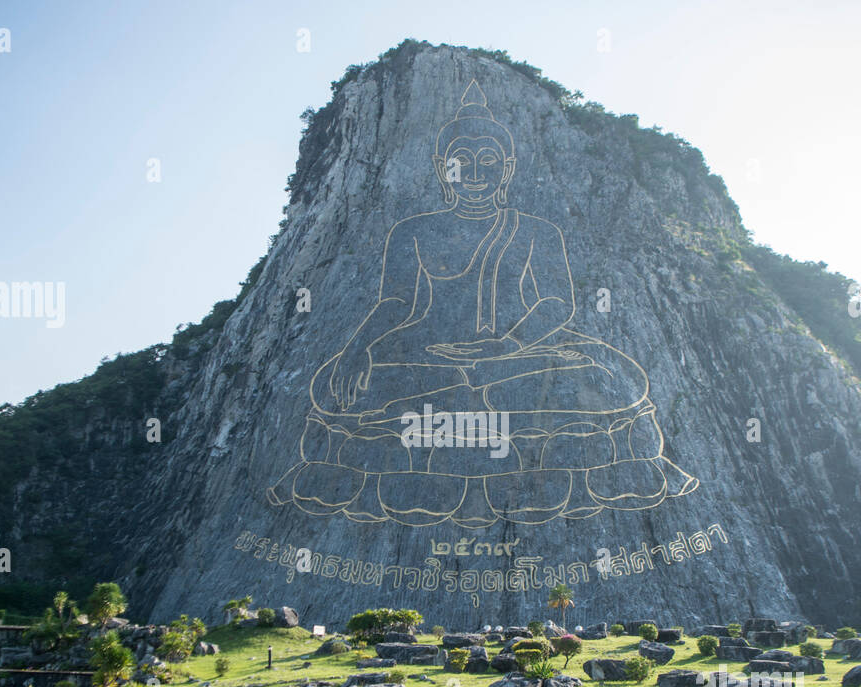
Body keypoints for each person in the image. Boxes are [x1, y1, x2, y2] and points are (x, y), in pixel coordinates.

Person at [268, 80, 697, 528]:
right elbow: (397, 302)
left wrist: (506, 345)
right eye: (461, 162)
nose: (474, 174)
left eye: (487, 161)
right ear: (443, 170)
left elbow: (556, 303)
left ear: (506, 170)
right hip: (432, 355)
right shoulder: (413, 231)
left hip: (519, 355)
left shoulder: (536, 230)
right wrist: (359, 348)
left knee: (608, 376)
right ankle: (483, 414)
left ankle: (462, 415)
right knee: (343, 384)